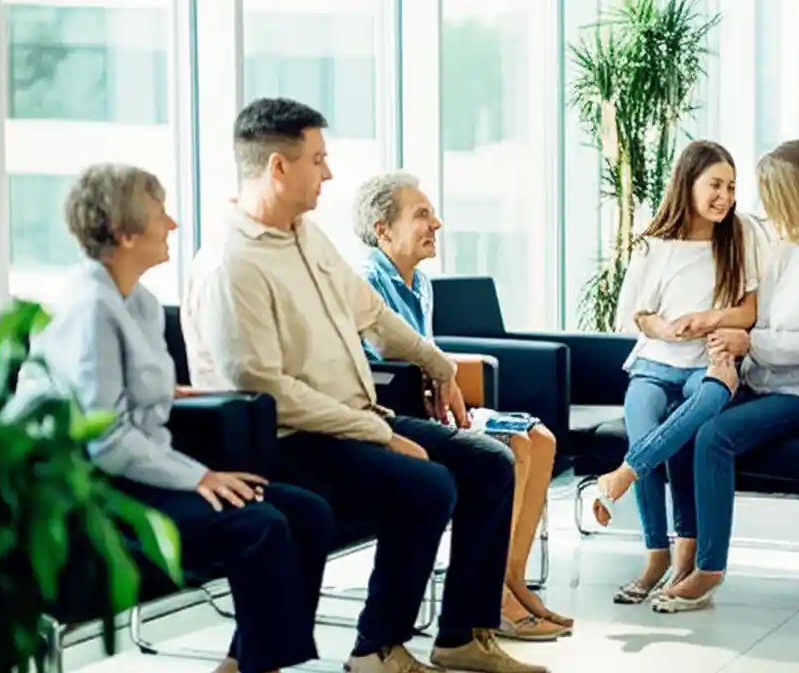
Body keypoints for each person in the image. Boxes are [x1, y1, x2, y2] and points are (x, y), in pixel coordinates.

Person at [182, 98, 547, 673]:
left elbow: (372, 313)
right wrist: (375, 432)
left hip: (350, 422)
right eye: (317, 160)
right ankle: (378, 647)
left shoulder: (307, 237)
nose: (327, 173)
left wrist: (438, 364)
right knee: (424, 484)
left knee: (488, 461)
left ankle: (459, 637)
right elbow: (264, 390)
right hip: (290, 440)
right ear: (278, 167)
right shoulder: (234, 264)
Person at [15, 163, 334, 673]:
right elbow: (106, 441)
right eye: (160, 213)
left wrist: (169, 391)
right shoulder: (89, 306)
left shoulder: (136, 300)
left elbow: (122, 390)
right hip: (96, 489)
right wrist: (201, 477)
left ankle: (248, 660)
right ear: (123, 233)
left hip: (141, 472)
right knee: (261, 524)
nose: (173, 224)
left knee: (308, 512)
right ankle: (270, 664)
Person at [353, 171, 572, 641]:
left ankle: (509, 581)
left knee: (542, 439)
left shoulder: (421, 284)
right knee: (511, 446)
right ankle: (493, 597)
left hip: (426, 404)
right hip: (392, 411)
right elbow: (377, 365)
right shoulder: (366, 280)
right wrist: (434, 376)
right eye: (422, 215)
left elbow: (424, 352)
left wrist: (441, 374)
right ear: (383, 230)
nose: (438, 223)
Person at [652, 140, 799, 613]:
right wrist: (722, 337)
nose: (761, 202)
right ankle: (684, 549)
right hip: (755, 378)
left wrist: (750, 343)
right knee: (683, 418)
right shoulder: (778, 244)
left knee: (715, 436)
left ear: (796, 192)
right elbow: (749, 314)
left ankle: (710, 569)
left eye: (771, 190)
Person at [593, 139, 763, 605]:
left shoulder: (738, 237)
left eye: (731, 187)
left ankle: (671, 537)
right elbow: (639, 316)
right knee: (644, 425)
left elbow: (748, 311)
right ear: (687, 184)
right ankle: (657, 554)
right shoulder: (653, 245)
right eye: (715, 185)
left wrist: (709, 320)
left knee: (705, 401)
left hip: (706, 363)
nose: (724, 197)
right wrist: (666, 328)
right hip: (653, 362)